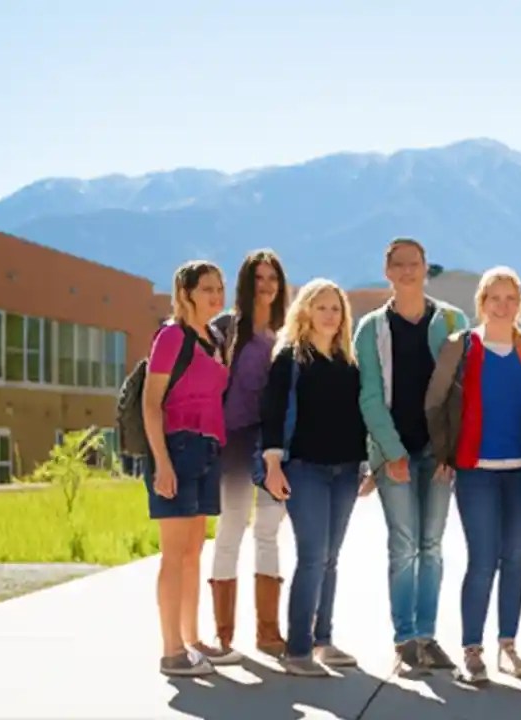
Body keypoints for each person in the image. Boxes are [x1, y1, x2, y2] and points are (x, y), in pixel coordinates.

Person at [424, 267, 521, 684]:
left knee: (514, 559)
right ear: (481, 302)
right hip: (476, 470)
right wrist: (445, 453)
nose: (503, 305)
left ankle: (508, 644)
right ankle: (471, 649)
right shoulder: (461, 346)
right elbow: (435, 403)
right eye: (495, 297)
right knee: (482, 559)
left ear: (519, 303)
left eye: (510, 298)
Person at [354, 237, 470, 674]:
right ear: (388, 271)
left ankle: (428, 636)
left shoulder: (451, 321)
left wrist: (449, 450)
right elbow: (368, 397)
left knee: (432, 545)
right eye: (398, 264)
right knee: (403, 545)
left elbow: (460, 394)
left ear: (426, 268)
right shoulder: (371, 328)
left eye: (414, 263)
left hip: (438, 453)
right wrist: (392, 452)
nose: (407, 271)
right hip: (394, 453)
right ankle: (405, 639)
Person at [260, 278, 368, 676]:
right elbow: (272, 415)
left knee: (331, 559)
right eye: (321, 307)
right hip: (304, 469)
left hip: (345, 471)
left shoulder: (348, 361)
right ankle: (298, 651)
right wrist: (272, 465)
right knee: (312, 558)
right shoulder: (289, 357)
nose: (329, 315)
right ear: (304, 311)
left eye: (335, 308)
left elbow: (358, 418)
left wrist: (366, 465)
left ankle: (324, 640)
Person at [141, 260, 236, 676]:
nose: (216, 296)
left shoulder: (214, 337)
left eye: (220, 288)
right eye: (207, 289)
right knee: (174, 554)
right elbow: (150, 403)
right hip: (176, 449)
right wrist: (162, 463)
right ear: (186, 293)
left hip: (207, 449)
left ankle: (193, 640)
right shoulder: (171, 336)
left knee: (195, 553)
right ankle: (171, 651)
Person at [207, 249, 289, 659]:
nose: (267, 285)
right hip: (234, 444)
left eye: (273, 277)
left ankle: (269, 633)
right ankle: (223, 636)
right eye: (259, 278)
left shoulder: (287, 334)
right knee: (232, 529)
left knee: (269, 530)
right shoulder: (225, 329)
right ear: (247, 282)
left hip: (274, 446)